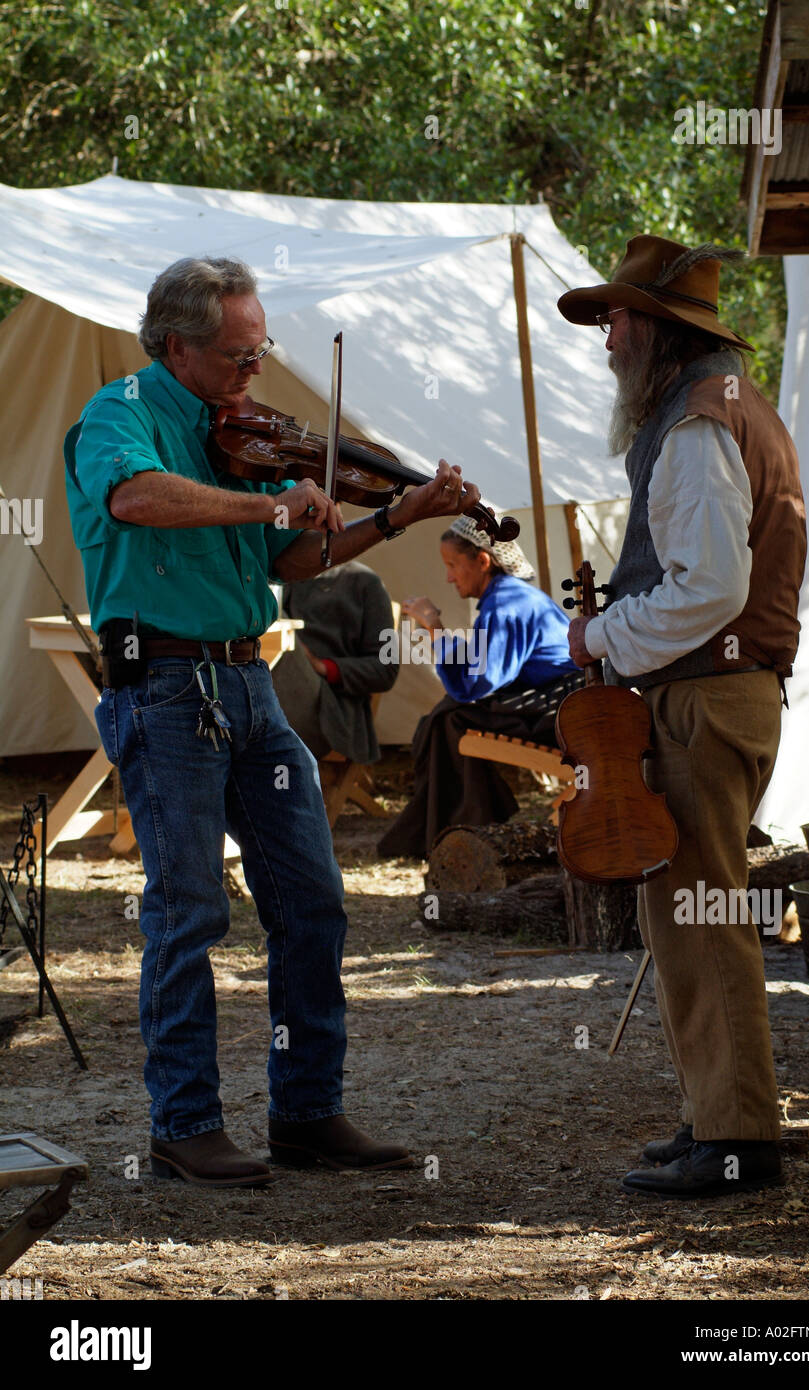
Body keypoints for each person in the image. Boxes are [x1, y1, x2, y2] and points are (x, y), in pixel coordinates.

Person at [64, 255, 481, 1188]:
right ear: (177, 345)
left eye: (262, 351)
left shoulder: (232, 435)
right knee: (188, 911)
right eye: (239, 355)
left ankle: (306, 1113)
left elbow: (290, 561)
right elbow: (134, 497)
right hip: (165, 691)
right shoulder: (120, 413)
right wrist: (266, 498)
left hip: (251, 685)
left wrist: (401, 514)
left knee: (313, 900)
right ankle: (184, 1125)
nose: (256, 373)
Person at [558, 235, 806, 1196]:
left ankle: (740, 1141)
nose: (608, 338)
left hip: (709, 691)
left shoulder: (700, 425)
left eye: (619, 318)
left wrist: (601, 637)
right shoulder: (719, 409)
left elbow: (710, 588)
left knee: (703, 917)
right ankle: (718, 1113)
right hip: (712, 689)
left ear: (661, 331)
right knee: (687, 913)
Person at [377, 514, 581, 859]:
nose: (449, 577)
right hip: (552, 703)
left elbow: (476, 683)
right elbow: (480, 667)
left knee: (448, 719)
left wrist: (435, 627)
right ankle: (464, 824)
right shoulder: (504, 596)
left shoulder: (507, 604)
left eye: (453, 565)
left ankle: (469, 826)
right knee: (444, 717)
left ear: (483, 560)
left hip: (561, 714)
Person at [271, 557, 398, 764]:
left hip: (333, 709)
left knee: (281, 634)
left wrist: (323, 667)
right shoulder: (282, 574)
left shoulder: (364, 581)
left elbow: (386, 669)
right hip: (278, 695)